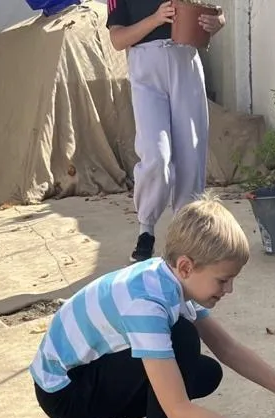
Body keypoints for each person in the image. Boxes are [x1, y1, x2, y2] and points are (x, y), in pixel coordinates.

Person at [31, 197, 275, 418]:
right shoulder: (146, 304)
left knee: (204, 373)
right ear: (186, 266)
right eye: (223, 280)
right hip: (65, 394)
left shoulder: (167, 277)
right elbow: (179, 411)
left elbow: (228, 348)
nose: (229, 290)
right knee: (182, 337)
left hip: (79, 376)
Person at [108, 1, 223, 264]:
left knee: (191, 155)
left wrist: (216, 23)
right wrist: (156, 18)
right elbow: (117, 39)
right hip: (146, 69)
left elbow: (215, 12)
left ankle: (186, 233)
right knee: (155, 154)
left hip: (186, 61)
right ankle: (146, 228)